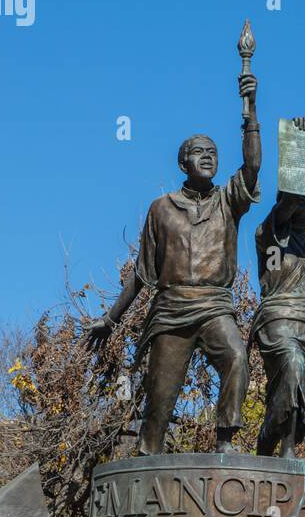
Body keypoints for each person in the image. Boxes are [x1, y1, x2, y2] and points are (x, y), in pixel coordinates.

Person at [85, 67, 261, 455]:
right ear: (183, 163)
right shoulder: (161, 209)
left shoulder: (228, 200)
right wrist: (110, 319)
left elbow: (252, 167)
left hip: (215, 304)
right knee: (159, 399)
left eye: (213, 153)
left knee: (236, 355)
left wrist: (250, 115)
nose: (209, 158)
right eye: (200, 153)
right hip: (171, 309)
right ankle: (147, 457)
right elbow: (142, 273)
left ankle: (225, 441)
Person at [250, 123, 305, 457]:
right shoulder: (270, 238)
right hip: (278, 321)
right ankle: (282, 446)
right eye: (299, 200)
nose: (304, 205)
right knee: (293, 366)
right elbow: (287, 205)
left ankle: (272, 440)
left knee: (296, 388)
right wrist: (302, 143)